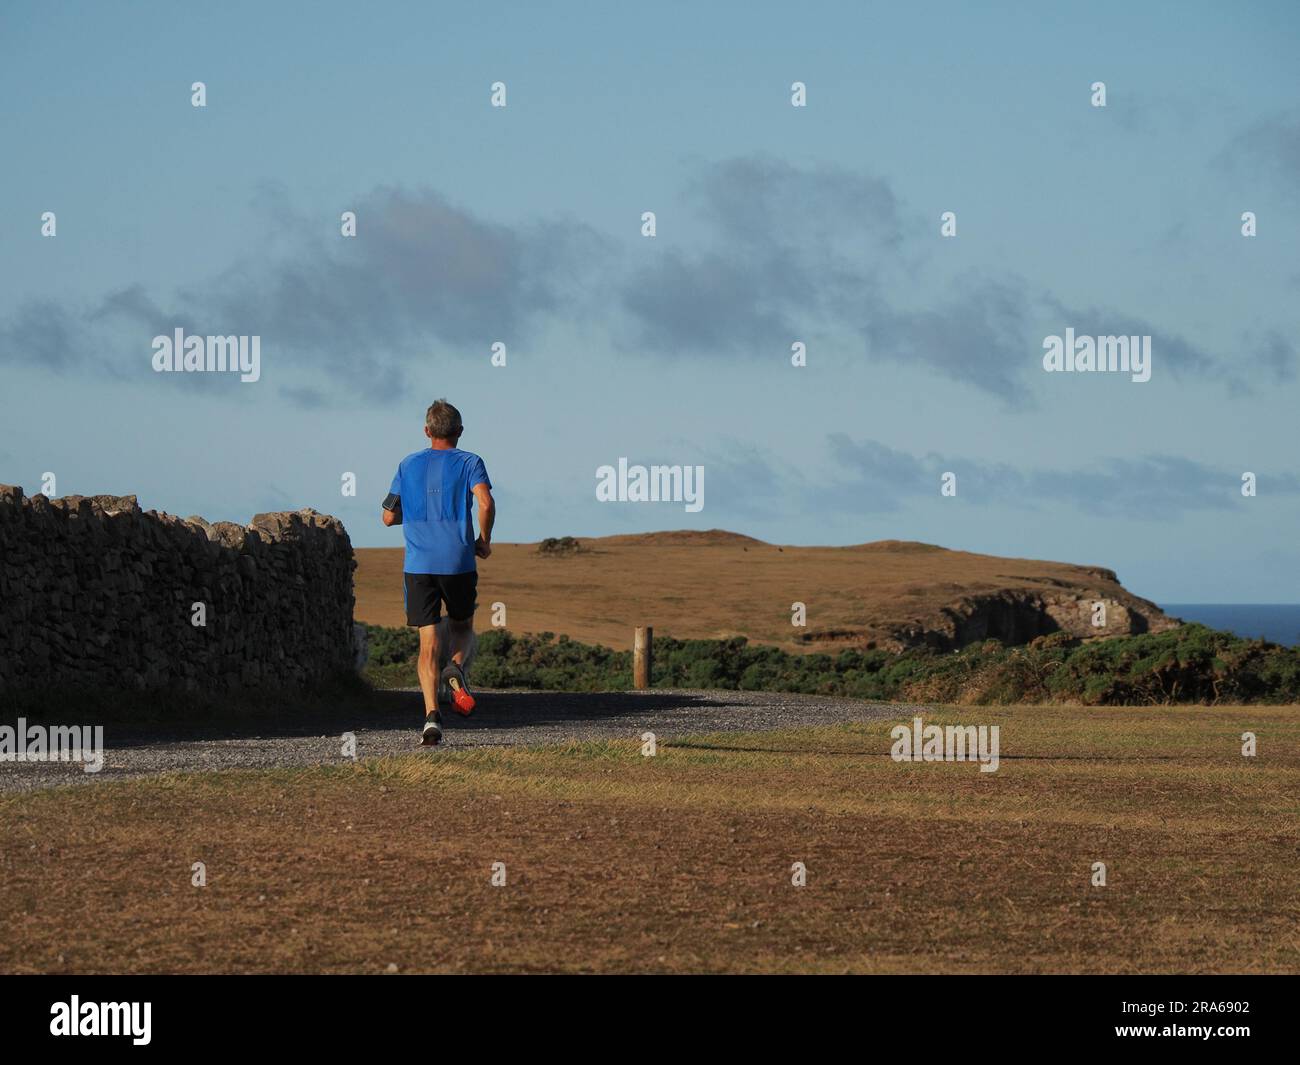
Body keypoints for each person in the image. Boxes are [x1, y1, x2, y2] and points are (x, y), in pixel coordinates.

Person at [381, 399, 495, 746]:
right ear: (459, 432)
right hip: (458, 561)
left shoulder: (407, 464)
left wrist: (414, 515)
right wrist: (484, 540)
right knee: (462, 627)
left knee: (428, 642)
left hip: (418, 565)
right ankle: (456, 669)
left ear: (427, 431)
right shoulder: (470, 462)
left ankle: (431, 717)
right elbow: (486, 502)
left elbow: (387, 516)